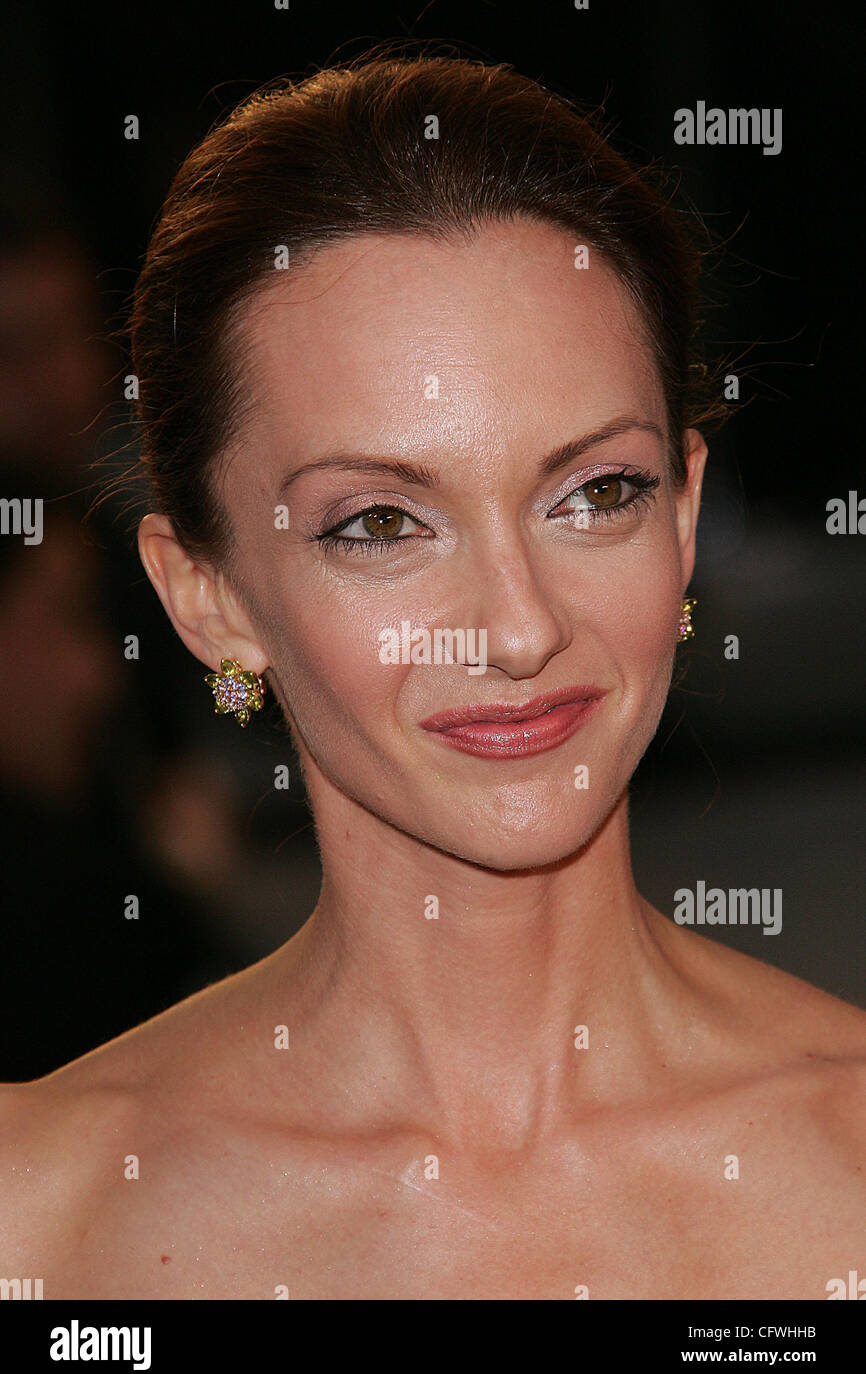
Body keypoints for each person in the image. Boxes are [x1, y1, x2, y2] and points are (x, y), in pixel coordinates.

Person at [2, 53, 864, 1300]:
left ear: (681, 523)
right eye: (381, 525)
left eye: (593, 494)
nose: (514, 630)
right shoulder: (42, 1223)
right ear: (209, 594)